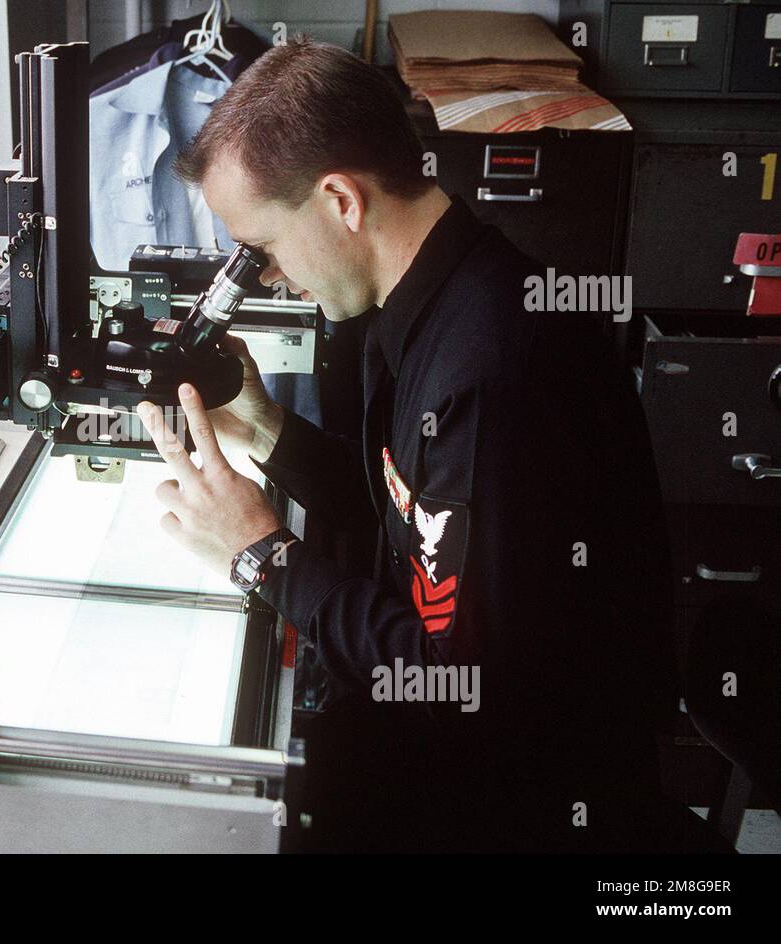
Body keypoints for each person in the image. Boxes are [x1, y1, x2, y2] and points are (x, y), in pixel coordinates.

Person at [134, 38, 678, 851]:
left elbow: (456, 682)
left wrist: (260, 553)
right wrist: (264, 428)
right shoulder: (438, 300)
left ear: (340, 201)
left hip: (530, 801)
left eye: (266, 249)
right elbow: (407, 517)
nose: (270, 278)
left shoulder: (489, 371)